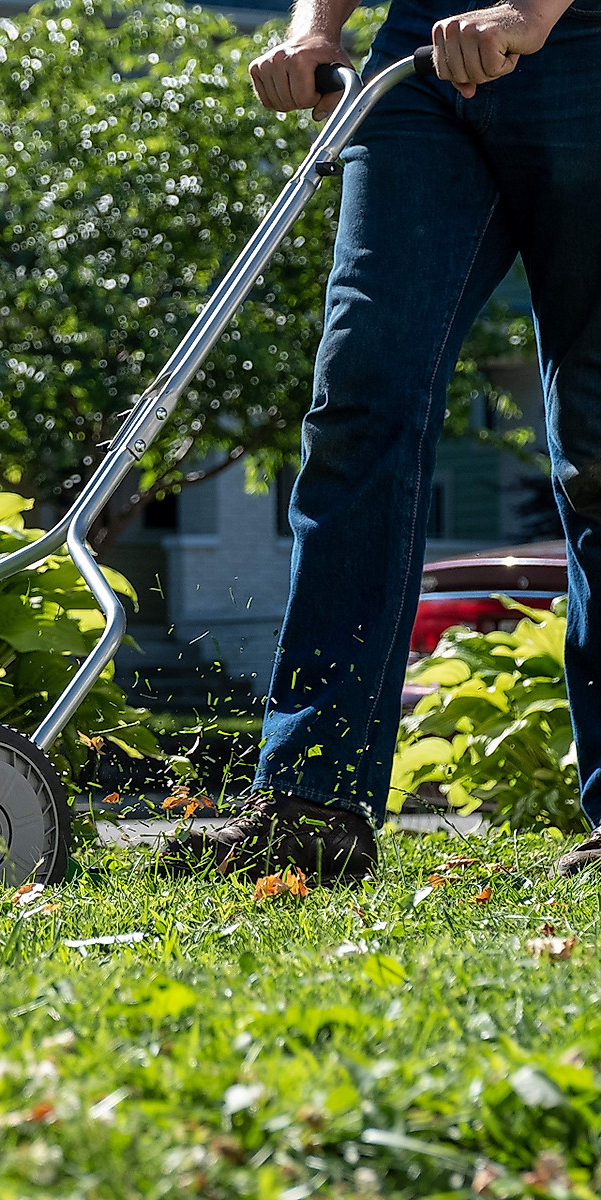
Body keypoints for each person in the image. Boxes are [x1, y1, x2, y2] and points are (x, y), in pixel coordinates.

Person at [160, 0, 601, 882]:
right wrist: (315, 28)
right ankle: (312, 804)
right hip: (420, 62)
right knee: (361, 396)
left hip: (582, 49)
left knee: (599, 451)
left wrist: (530, 11)